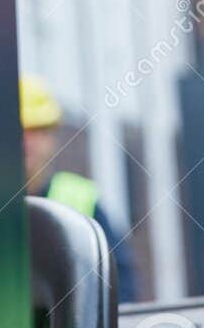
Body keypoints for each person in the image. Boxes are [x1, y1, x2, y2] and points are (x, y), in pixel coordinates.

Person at [20, 75, 140, 302]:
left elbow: (120, 283)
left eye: (37, 130)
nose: (27, 141)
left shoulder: (82, 198)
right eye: (19, 130)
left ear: (52, 137)